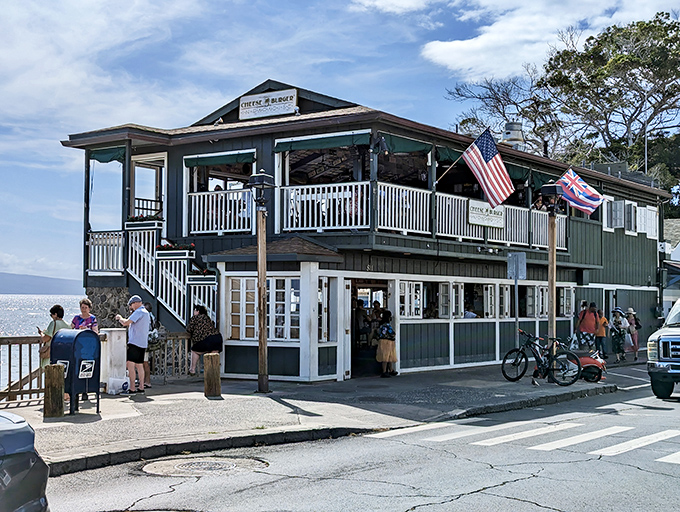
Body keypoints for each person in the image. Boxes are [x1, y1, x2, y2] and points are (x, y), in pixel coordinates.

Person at [115, 295, 150, 395]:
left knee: (130, 365)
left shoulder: (139, 312)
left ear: (135, 303)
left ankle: (132, 388)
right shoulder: (146, 313)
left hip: (135, 343)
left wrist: (119, 318)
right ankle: (141, 387)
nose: (131, 308)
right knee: (139, 365)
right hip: (143, 343)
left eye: (131, 306)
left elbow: (126, 323)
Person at [70, 298, 99, 401]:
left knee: (86, 368)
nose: (83, 309)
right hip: (78, 347)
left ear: (89, 308)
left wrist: (86, 330)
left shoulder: (92, 319)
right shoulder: (76, 318)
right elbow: (71, 329)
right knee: (76, 368)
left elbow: (96, 332)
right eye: (82, 307)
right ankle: (77, 390)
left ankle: (85, 391)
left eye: (85, 308)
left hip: (88, 347)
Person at [187, 305, 223, 376]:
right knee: (212, 355)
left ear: (198, 311)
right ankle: (212, 374)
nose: (194, 312)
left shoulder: (195, 318)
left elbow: (189, 329)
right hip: (217, 338)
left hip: (206, 340)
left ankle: (192, 369)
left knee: (195, 350)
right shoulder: (207, 318)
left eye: (194, 311)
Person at [375, 310, 397, 378]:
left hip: (382, 341)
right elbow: (392, 333)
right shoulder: (387, 325)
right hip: (387, 342)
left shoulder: (381, 325)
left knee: (386, 356)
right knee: (387, 357)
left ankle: (390, 370)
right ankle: (385, 371)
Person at [143, 302, 156, 389]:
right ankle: (145, 381)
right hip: (148, 341)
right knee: (145, 362)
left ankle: (147, 381)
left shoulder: (147, 317)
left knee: (144, 362)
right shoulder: (152, 317)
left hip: (144, 341)